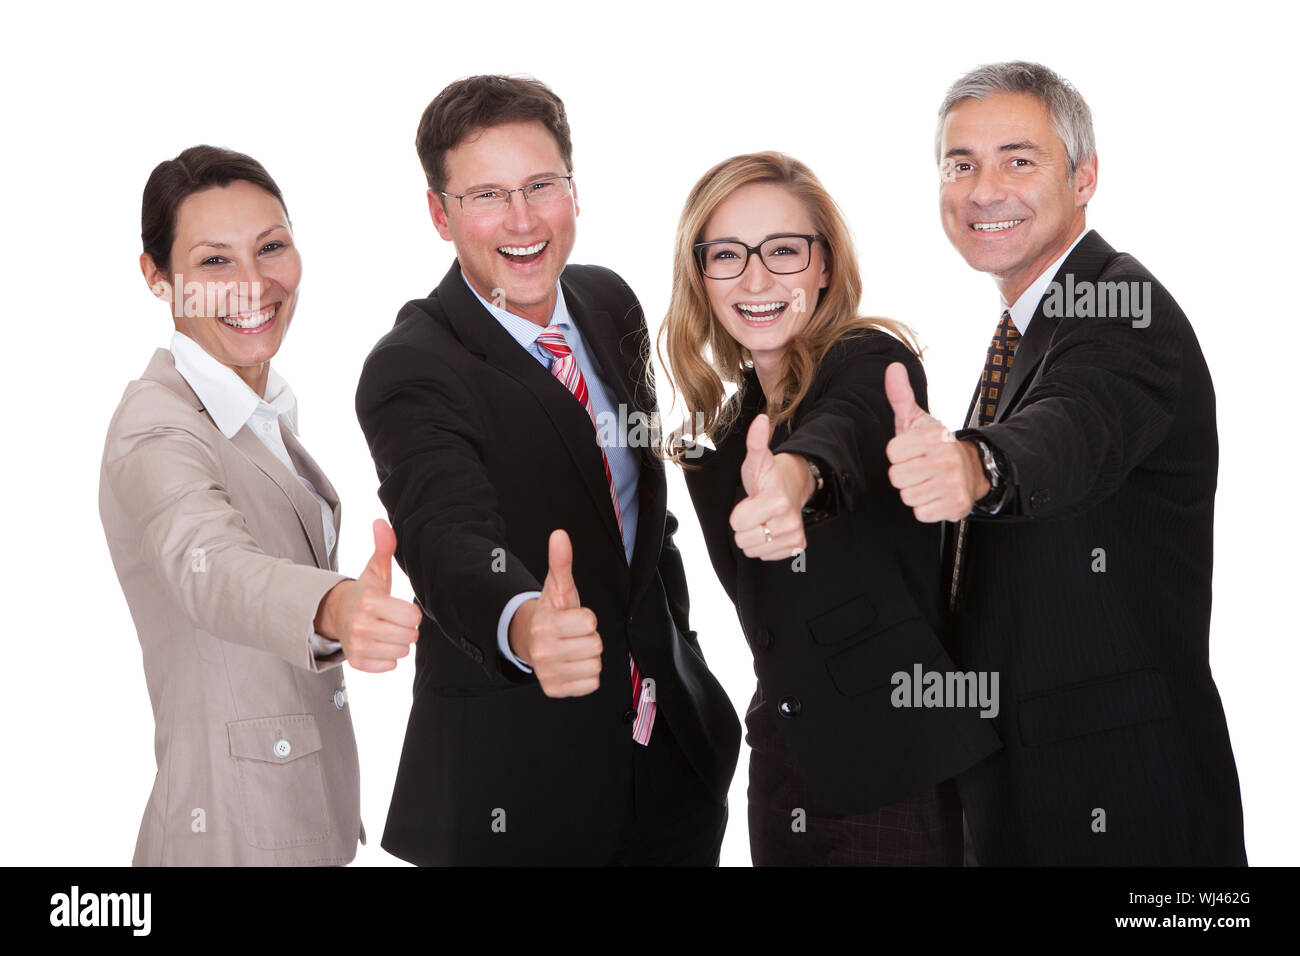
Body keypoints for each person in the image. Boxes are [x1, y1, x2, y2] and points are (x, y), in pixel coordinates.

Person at [354, 75, 741, 866]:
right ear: (440, 213)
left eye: (541, 186)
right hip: (518, 790)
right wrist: (525, 624)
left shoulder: (608, 304)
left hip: (669, 766)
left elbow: (640, 518)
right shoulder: (412, 367)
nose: (523, 221)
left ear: (574, 187)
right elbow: (445, 537)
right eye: (488, 195)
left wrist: (684, 654)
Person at [884, 61, 1247, 864]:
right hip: (1027, 789)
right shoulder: (1030, 324)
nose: (984, 191)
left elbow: (1074, 427)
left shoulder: (1123, 308)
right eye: (960, 164)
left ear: (1084, 178)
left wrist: (979, 465)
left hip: (1123, 802)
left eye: (1019, 159)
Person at [659, 152, 1001, 865]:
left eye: (784, 250)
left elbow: (840, 433)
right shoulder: (727, 430)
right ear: (701, 275)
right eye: (727, 254)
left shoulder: (871, 359)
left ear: (824, 265)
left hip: (895, 776)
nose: (757, 278)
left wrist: (793, 478)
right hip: (785, 770)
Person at [99, 145, 422, 866]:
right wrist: (334, 607)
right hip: (232, 840)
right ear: (158, 278)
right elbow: (208, 565)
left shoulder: (256, 410)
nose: (254, 282)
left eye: (271, 246)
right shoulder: (156, 425)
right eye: (215, 262)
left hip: (293, 821)